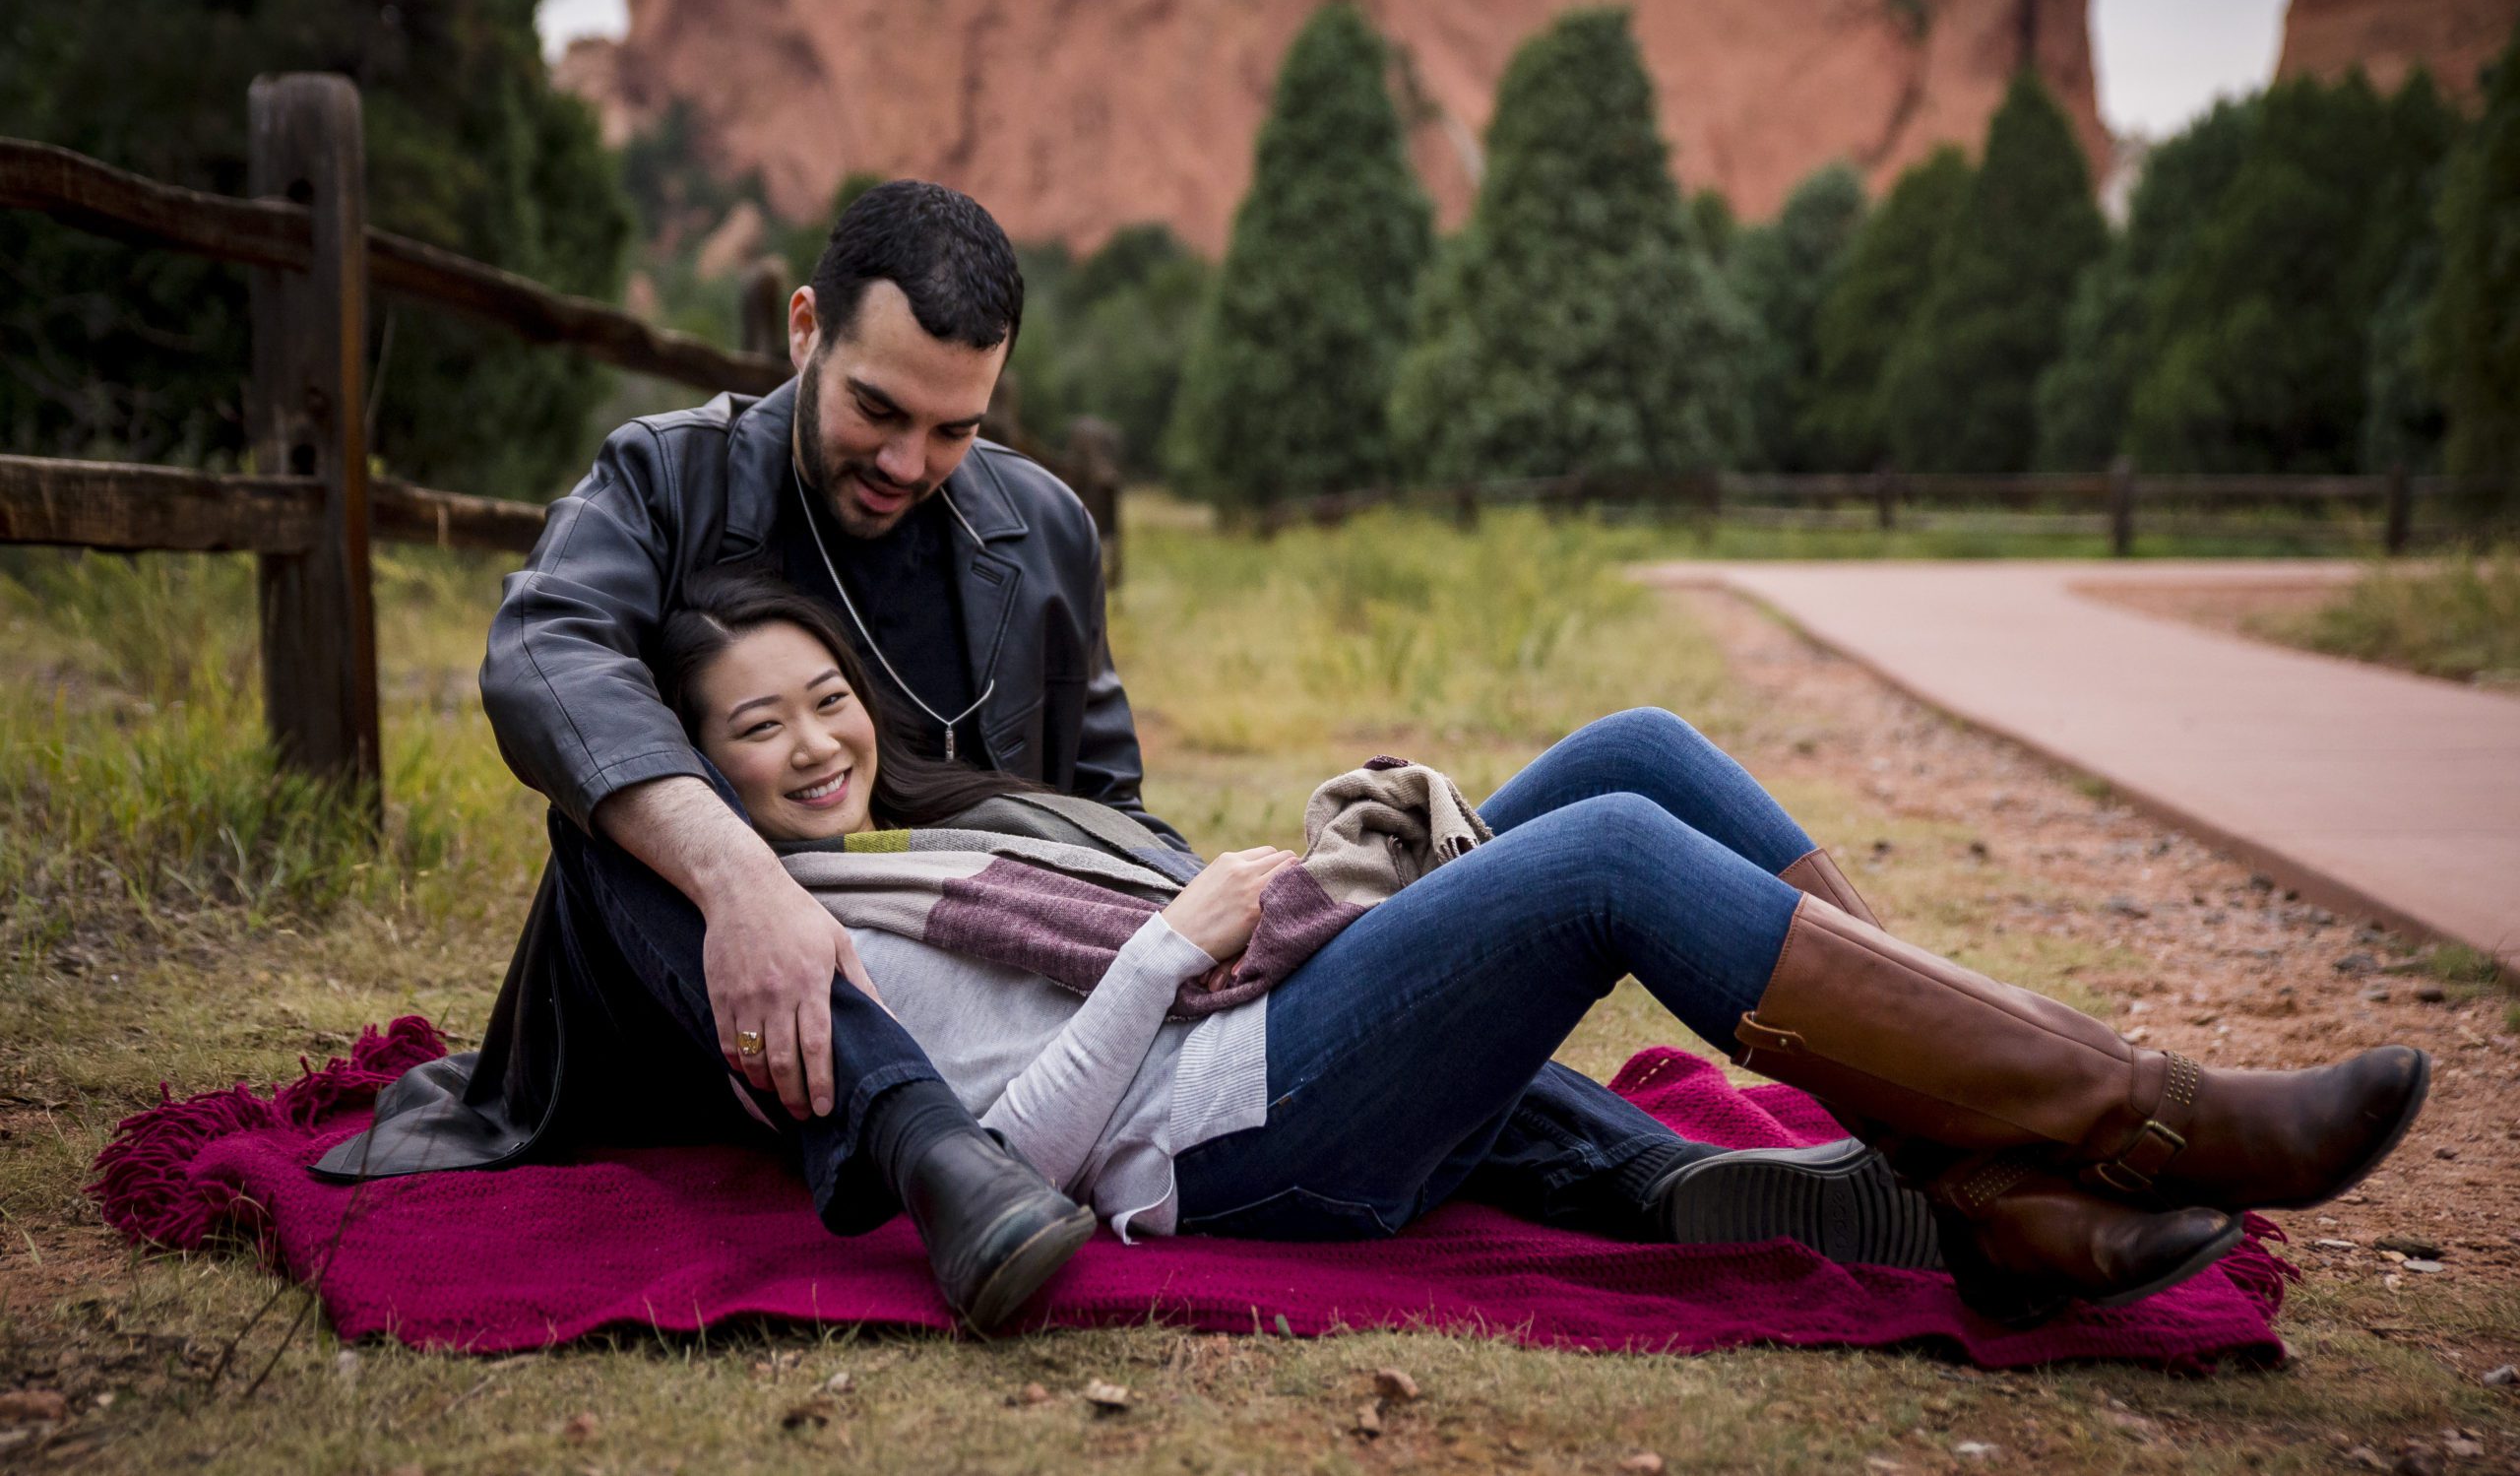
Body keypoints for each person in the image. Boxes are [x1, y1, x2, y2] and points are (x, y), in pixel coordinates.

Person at [326, 180, 1944, 1328]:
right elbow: (545, 658)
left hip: (1055, 984)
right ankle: (928, 1158)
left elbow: (1104, 810)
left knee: (1610, 776)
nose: (911, 462)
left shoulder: (1034, 526)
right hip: (741, 1005)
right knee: (623, 823)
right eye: (878, 411)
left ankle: (1913, 1122)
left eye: (955, 427)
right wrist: (739, 870)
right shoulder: (667, 483)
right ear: (804, 326)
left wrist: (1266, 938)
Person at [596, 567, 2426, 1329]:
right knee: (1610, 856)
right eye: (760, 731)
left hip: (1277, 1016)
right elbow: (1012, 1169)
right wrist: (1167, 943)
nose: (819, 741)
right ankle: (2136, 1110)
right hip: (1243, 1132)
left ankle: (1972, 1163)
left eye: (824, 696)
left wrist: (1275, 905)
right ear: (699, 771)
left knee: (1628, 746)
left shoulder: (927, 844)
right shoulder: (787, 942)